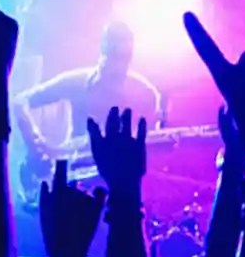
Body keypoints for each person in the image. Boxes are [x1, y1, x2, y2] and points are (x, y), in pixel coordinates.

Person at [12, 22, 163, 164]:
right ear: (101, 54)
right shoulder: (76, 82)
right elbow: (20, 101)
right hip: (75, 174)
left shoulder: (145, 94)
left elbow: (150, 150)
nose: (115, 66)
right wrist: (33, 139)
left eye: (122, 59)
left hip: (120, 176)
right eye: (111, 56)